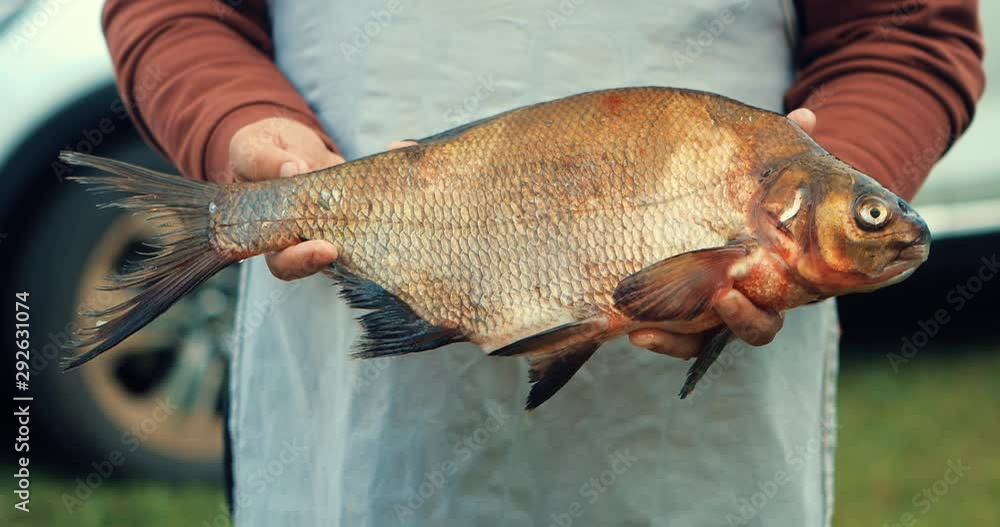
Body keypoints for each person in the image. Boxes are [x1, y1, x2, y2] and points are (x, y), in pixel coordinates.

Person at [102, 1, 983, 525]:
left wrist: (848, 162)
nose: (880, 228)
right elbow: (173, 10)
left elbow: (907, 34)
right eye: (869, 216)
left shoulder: (769, 198)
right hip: (344, 393)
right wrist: (236, 122)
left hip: (704, 449)